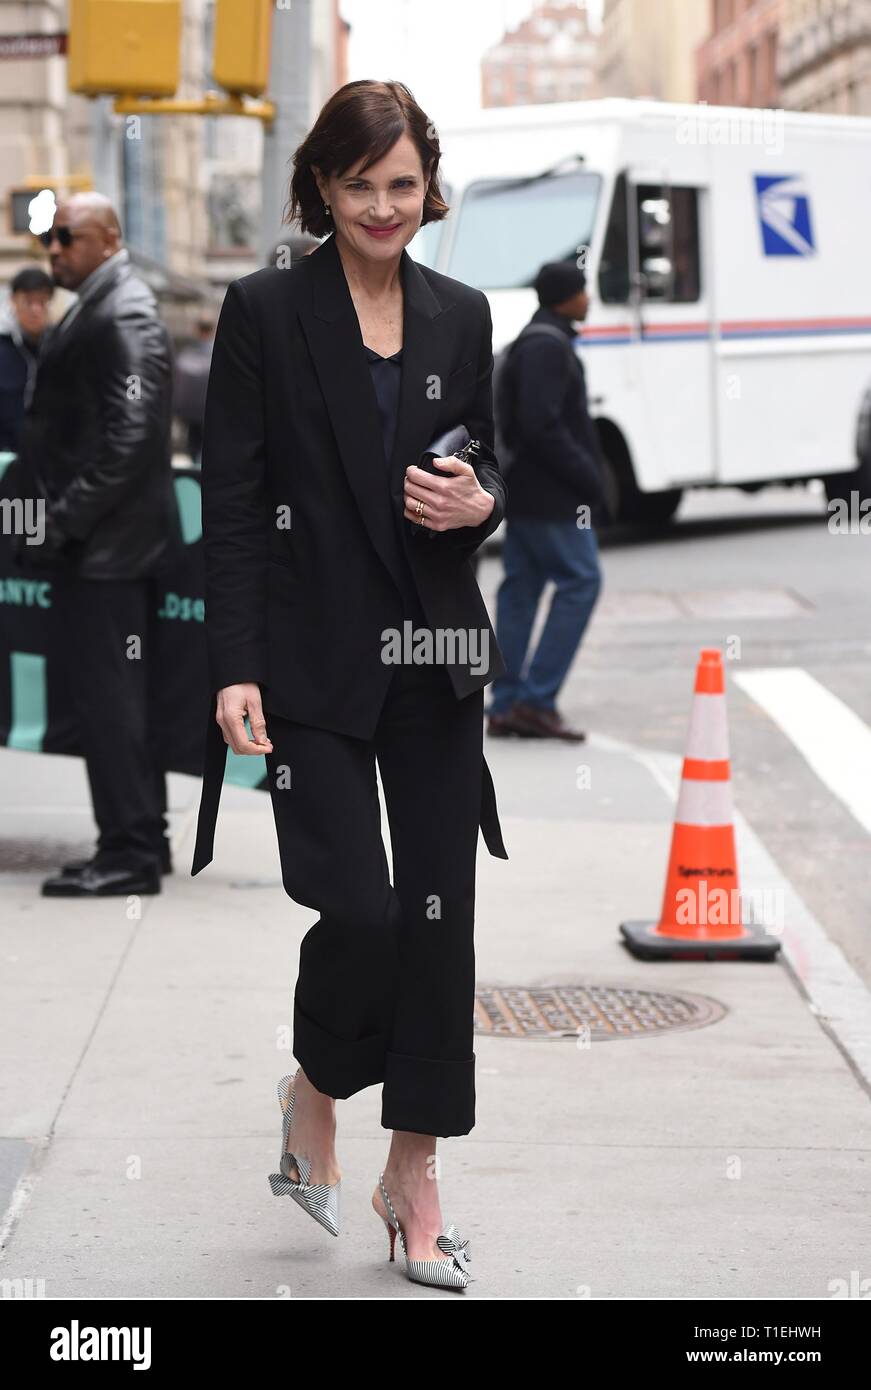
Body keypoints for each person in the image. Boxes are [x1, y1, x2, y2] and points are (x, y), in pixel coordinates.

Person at [190, 79, 508, 1291]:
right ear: (321, 187)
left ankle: (413, 1176)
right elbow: (230, 504)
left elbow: (481, 473)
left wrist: (479, 507)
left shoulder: (462, 315)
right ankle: (314, 1086)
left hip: (433, 661)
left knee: (438, 928)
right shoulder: (265, 310)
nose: (384, 206)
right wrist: (234, 665)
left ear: (429, 187)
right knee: (363, 912)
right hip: (311, 664)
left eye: (404, 184)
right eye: (361, 184)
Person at [14, 192, 181, 896]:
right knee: (115, 704)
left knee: (109, 705)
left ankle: (131, 854)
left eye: (65, 237)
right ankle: (138, 839)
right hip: (105, 549)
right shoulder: (103, 301)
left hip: (108, 555)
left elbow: (133, 434)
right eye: (47, 240)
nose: (53, 251)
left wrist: (63, 520)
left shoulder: (126, 309)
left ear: (108, 238)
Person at [487, 260, 605, 742]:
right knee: (581, 582)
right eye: (582, 290)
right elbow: (541, 425)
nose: (589, 298)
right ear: (565, 297)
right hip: (553, 496)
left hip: (529, 493)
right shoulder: (546, 347)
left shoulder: (538, 340)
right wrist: (588, 474)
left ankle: (508, 703)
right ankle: (534, 701)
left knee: (522, 589)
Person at [0, 266, 54, 453]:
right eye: (28, 302)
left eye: (42, 302)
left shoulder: (59, 347)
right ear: (13, 301)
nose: (35, 310)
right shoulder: (3, 347)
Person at [173, 315, 216, 465]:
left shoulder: (187, 354)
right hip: (208, 409)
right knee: (206, 447)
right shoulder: (218, 352)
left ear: (197, 330)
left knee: (194, 445)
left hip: (190, 410)